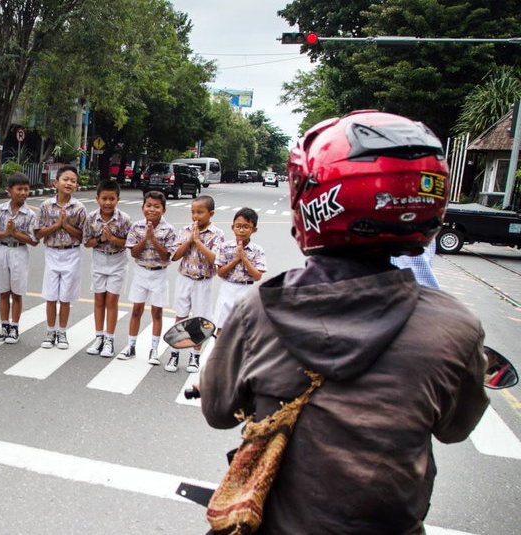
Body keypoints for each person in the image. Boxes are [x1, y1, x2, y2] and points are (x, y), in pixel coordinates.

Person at [200, 111, 488, 535]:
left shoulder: (258, 310)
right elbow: (456, 428)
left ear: (315, 201)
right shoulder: (456, 327)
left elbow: (218, 410)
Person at [117, 191, 178, 360]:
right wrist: (146, 238)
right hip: (141, 272)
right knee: (136, 310)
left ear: (163, 210)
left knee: (157, 313)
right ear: (143, 207)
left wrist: (154, 239)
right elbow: (135, 253)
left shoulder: (169, 229)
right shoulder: (136, 227)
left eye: (157, 206)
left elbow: (167, 256)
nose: (152, 209)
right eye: (148, 205)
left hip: (159, 274)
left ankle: (154, 349)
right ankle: (131, 346)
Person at [167, 195, 224, 372]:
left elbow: (215, 259)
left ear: (211, 213)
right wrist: (190, 240)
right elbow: (174, 255)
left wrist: (198, 242)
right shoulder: (185, 230)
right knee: (180, 316)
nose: (195, 216)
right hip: (184, 278)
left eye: (200, 212)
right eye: (193, 212)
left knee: (200, 320)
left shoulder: (217, 234)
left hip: (203, 281)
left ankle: (195, 356)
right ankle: (174, 354)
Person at [35, 165, 88, 349]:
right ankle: (50, 332)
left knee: (65, 297)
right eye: (65, 179)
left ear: (76, 186)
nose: (69, 183)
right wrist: (57, 225)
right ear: (56, 182)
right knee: (51, 296)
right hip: (52, 253)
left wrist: (66, 225)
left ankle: (62, 332)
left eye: (73, 181)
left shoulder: (79, 208)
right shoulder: (46, 206)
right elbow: (38, 233)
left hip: (71, 253)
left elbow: (84, 237)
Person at [0, 172, 38, 344]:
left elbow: (34, 241)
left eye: (26, 189)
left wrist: (15, 234)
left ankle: (14, 327)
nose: (23, 193)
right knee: (4, 291)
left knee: (17, 291)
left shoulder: (30, 214)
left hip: (19, 252)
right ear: (9, 190)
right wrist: (6, 233)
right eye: (19, 189)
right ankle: (4, 326)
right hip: (2, 250)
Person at [82, 179, 132, 358]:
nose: (108, 203)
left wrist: (112, 238)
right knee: (99, 300)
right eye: (104, 198)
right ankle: (99, 337)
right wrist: (102, 240)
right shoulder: (91, 218)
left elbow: (130, 243)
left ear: (118, 199)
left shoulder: (124, 219)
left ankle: (109, 339)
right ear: (97, 199)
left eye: (112, 199)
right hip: (99, 260)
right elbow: (87, 242)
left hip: (117, 261)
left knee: (112, 301)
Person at [209, 207, 266, 338]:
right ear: (232, 227)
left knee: (244, 330)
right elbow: (220, 272)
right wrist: (235, 260)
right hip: (228, 289)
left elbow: (257, 276)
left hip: (247, 289)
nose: (241, 230)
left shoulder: (257, 250)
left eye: (246, 227)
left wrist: (244, 259)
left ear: (254, 230)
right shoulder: (225, 247)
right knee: (222, 329)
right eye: (238, 226)